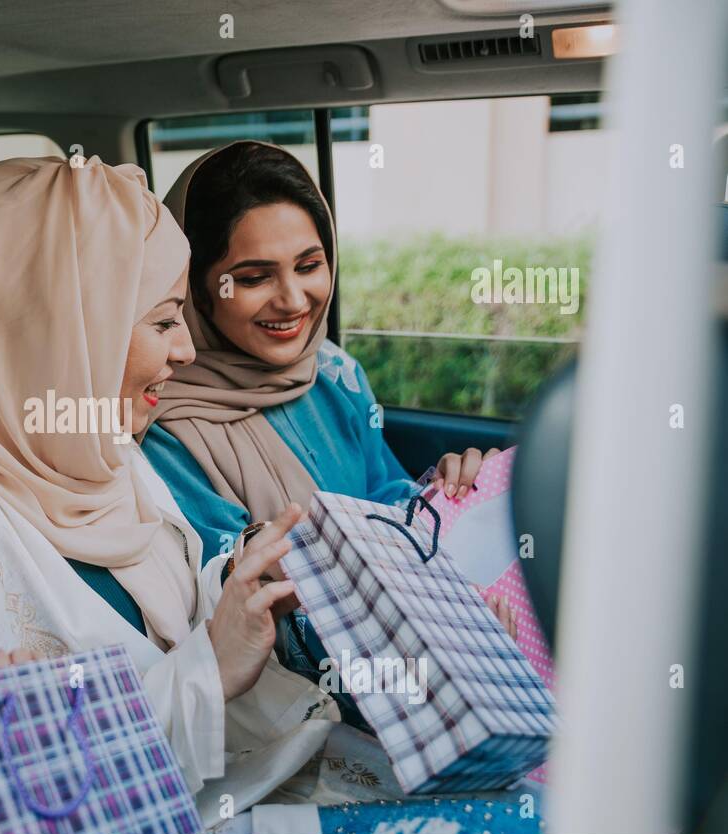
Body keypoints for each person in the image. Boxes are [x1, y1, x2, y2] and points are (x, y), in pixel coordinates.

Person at [0, 155, 344, 804]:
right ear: (70, 329)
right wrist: (209, 670)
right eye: (165, 319)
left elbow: (171, 619)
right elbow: (14, 777)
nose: (187, 350)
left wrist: (241, 584)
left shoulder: (104, 445)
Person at [140, 141, 514, 651]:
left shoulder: (335, 371)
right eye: (253, 277)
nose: (294, 300)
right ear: (197, 288)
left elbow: (385, 498)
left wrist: (448, 495)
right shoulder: (163, 422)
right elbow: (227, 593)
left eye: (309, 265)